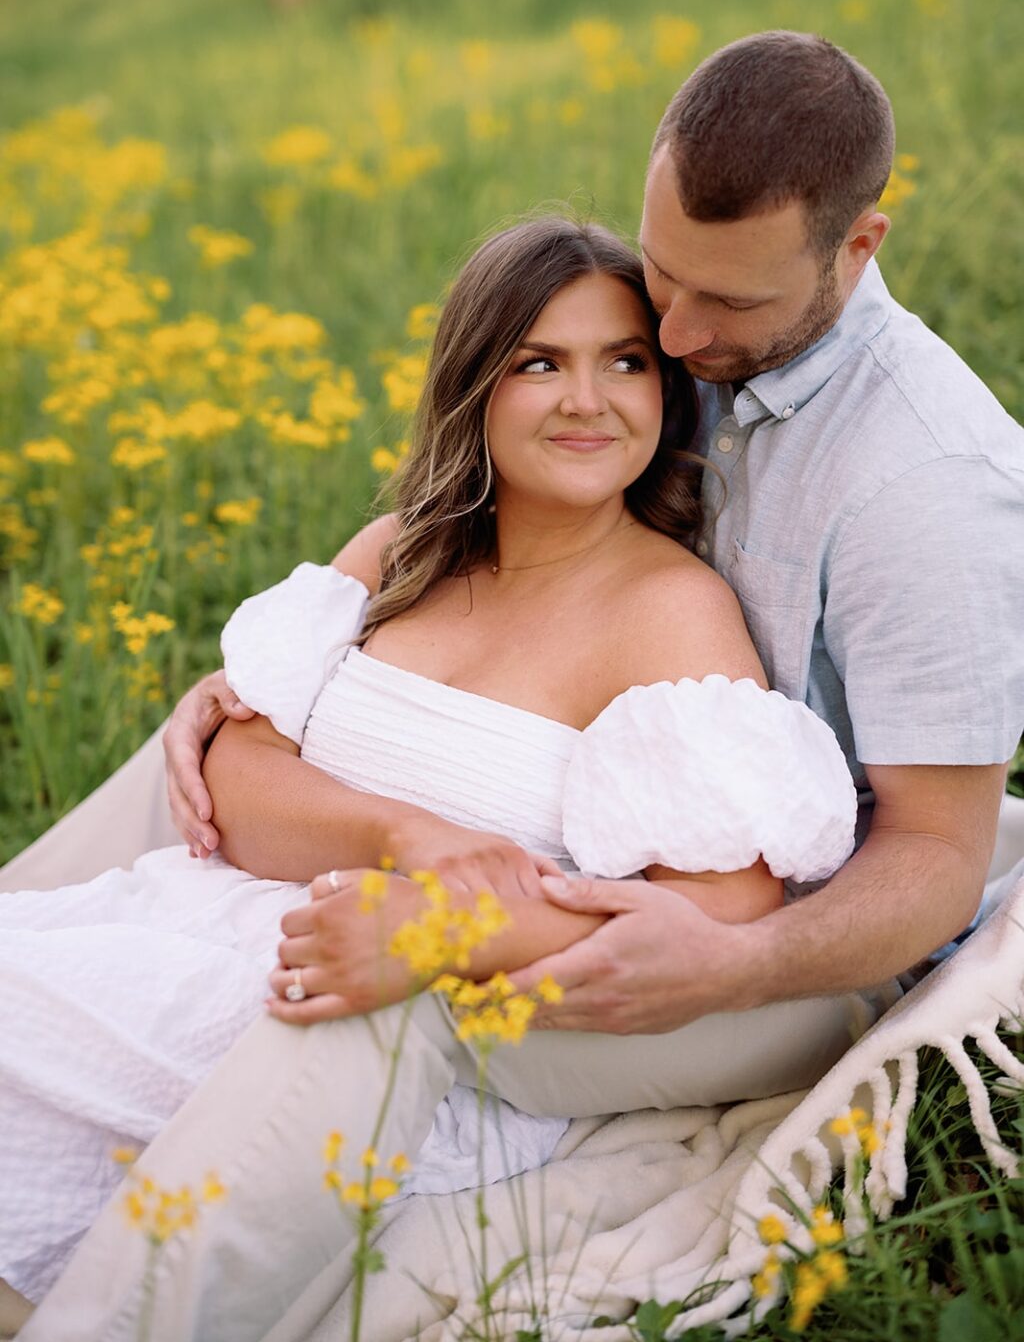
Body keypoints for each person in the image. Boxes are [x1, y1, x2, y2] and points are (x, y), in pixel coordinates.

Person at [0, 218, 881, 1336]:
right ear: (475, 383)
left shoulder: (666, 614)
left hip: (396, 1024)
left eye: (624, 362)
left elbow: (712, 919)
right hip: (210, 921)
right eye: (538, 364)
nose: (588, 400)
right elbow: (239, 771)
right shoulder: (405, 548)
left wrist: (448, 922)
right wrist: (403, 837)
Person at [168, 30, 1024, 1038]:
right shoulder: (664, 361)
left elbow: (932, 855)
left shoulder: (931, 483)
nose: (673, 339)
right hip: (573, 852)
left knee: (321, 1026)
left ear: (857, 248)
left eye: (729, 299)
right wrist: (267, 694)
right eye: (664, 273)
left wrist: (736, 964)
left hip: (783, 948)